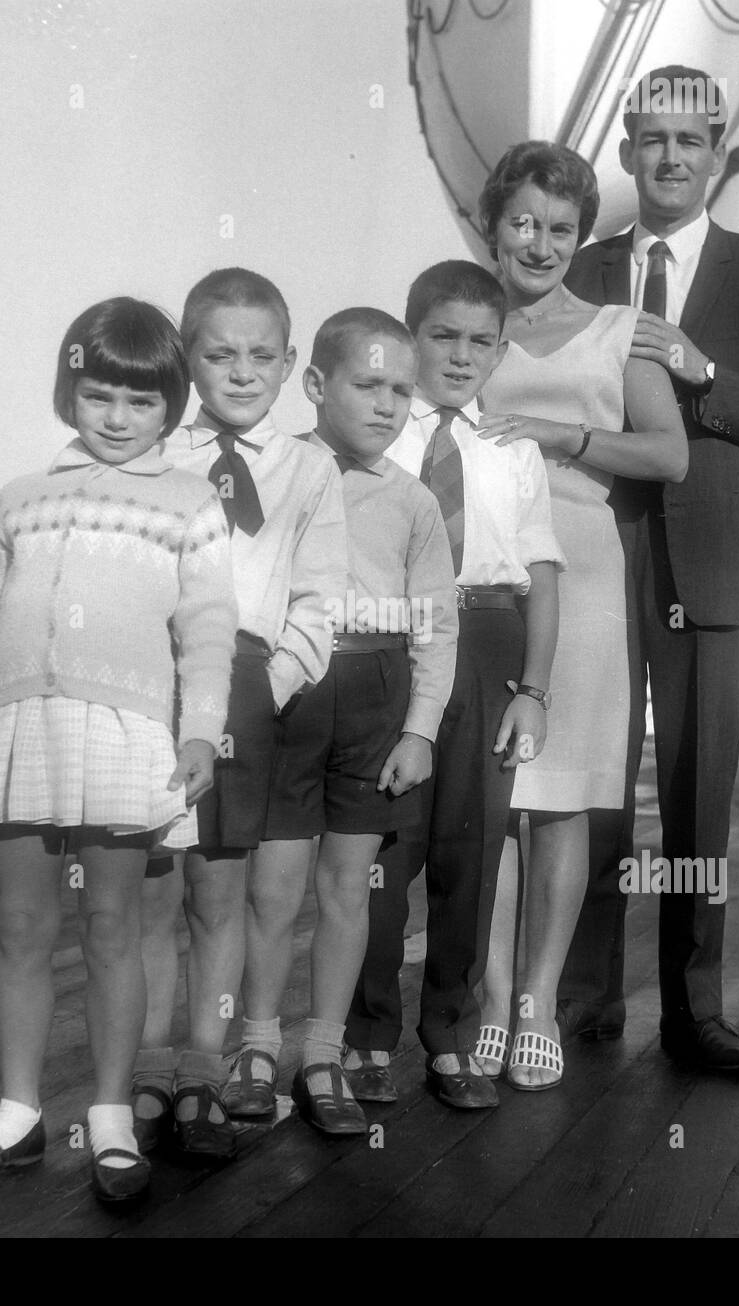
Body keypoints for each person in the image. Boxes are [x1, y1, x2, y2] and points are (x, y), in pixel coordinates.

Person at [557, 65, 739, 1069]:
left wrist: (702, 370)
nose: (670, 157)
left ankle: (693, 1009)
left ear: (718, 159)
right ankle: (582, 1004)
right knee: (590, 782)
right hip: (592, 550)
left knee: (695, 792)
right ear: (628, 151)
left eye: (690, 142)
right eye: (652, 140)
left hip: (709, 561)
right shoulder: (580, 270)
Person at [0, 296, 237, 1201]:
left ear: (169, 408)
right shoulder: (21, 499)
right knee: (20, 927)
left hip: (124, 732)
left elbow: (208, 628)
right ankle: (17, 1112)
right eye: (100, 395)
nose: (117, 418)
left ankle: (109, 1112)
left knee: (113, 928)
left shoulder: (188, 502)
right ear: (71, 392)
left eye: (141, 404)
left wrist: (198, 731)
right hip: (19, 730)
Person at [474, 141, 686, 1090]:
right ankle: (484, 999)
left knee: (558, 805)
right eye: (524, 221)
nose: (543, 242)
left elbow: (670, 454)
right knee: (489, 801)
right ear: (493, 225)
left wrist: (567, 436)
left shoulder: (618, 329)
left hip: (587, 577)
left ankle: (536, 1004)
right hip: (480, 573)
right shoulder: (466, 326)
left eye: (562, 227)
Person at [223, 308, 457, 1134]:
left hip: (376, 696)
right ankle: (255, 1046)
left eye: (402, 389)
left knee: (347, 887)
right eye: (368, 384)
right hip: (293, 691)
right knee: (273, 885)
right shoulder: (272, 474)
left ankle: (322, 1052)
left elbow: (436, 622)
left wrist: (421, 728)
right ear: (317, 385)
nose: (388, 404)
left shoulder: (415, 501)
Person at [131, 268, 347, 1159]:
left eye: (263, 355)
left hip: (248, 693)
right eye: (220, 354)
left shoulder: (310, 468)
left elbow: (321, 598)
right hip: (151, 691)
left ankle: (201, 1072)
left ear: (291, 361)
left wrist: (270, 686)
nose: (243, 370)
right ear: (187, 358)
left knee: (219, 895)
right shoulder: (153, 457)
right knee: (149, 894)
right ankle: (142, 1068)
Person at [345, 261, 564, 1110]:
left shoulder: (512, 448)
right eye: (442, 336)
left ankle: (448, 1035)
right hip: (393, 640)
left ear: (502, 349)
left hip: (489, 637)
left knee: (470, 851)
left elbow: (542, 571)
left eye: (481, 340)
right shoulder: (377, 435)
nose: (462, 355)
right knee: (380, 852)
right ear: (409, 337)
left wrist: (533, 690)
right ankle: (366, 1038)